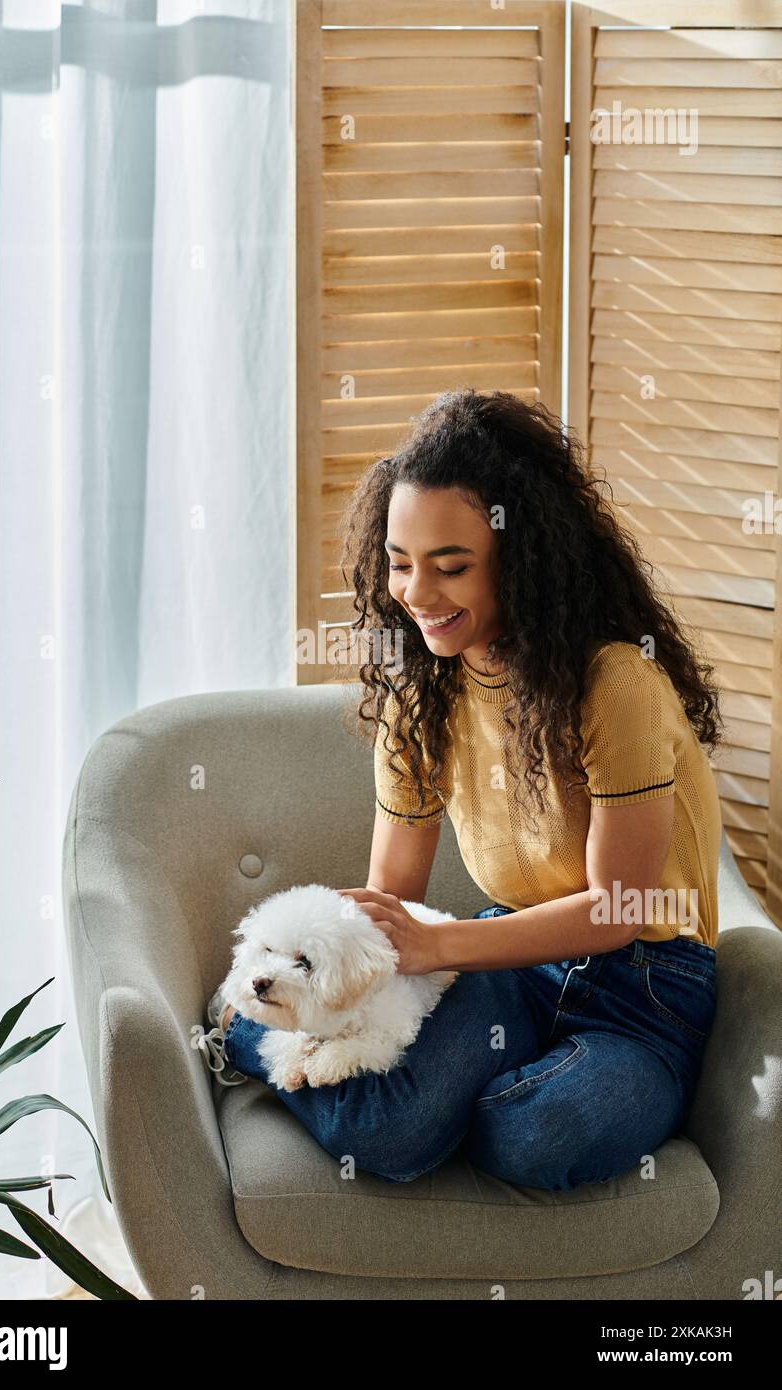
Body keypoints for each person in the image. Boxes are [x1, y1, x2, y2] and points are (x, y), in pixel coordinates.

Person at [203, 388, 722, 1191]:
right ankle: (246, 1029)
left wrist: (439, 948)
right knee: (395, 1135)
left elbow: (618, 913)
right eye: (401, 564)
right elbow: (393, 900)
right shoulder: (420, 701)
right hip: (507, 965)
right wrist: (356, 974)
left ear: (525, 558)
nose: (417, 593)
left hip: (645, 992)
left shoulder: (615, 684)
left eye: (451, 567)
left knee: (533, 1138)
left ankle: (486, 1100)